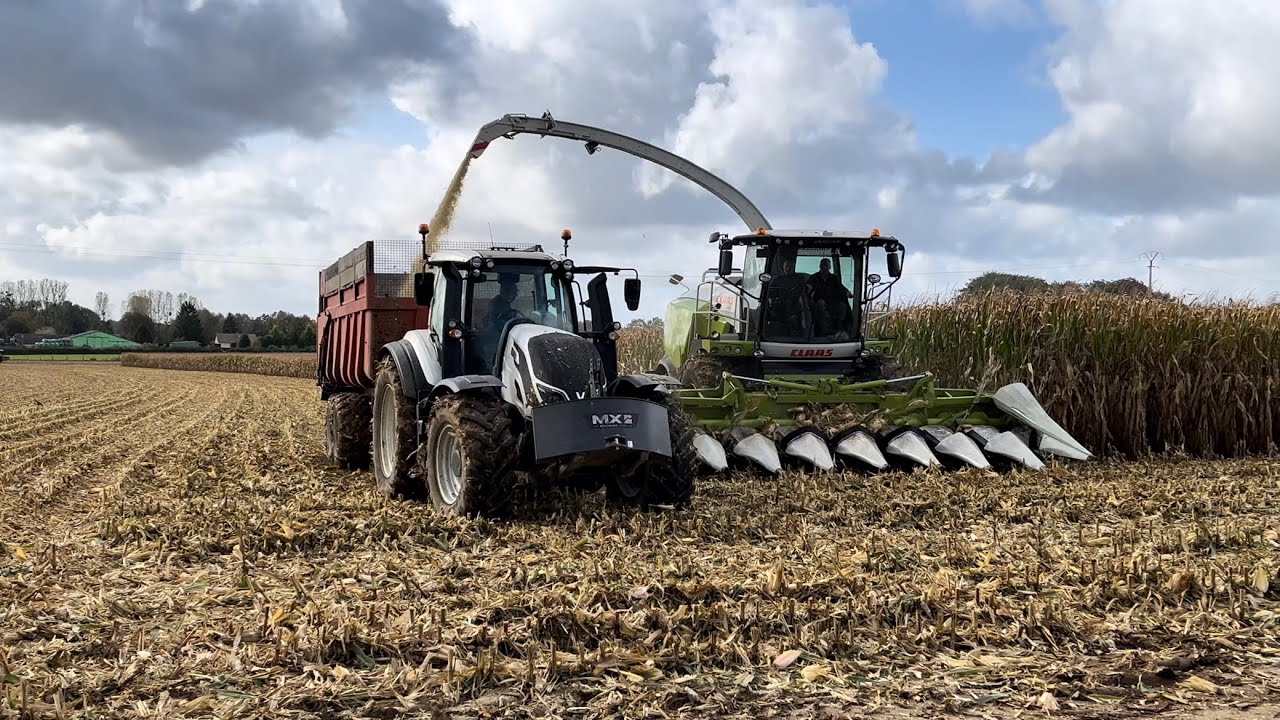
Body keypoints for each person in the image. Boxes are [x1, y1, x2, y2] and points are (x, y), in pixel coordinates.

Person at [806, 258, 852, 336]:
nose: (824, 267)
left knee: (843, 306)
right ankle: (823, 333)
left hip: (832, 303)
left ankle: (840, 330)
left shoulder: (834, 278)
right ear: (819, 266)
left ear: (829, 267)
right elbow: (809, 289)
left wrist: (847, 292)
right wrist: (809, 289)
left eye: (826, 265)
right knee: (821, 308)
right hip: (818, 303)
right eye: (822, 265)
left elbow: (841, 287)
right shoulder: (813, 277)